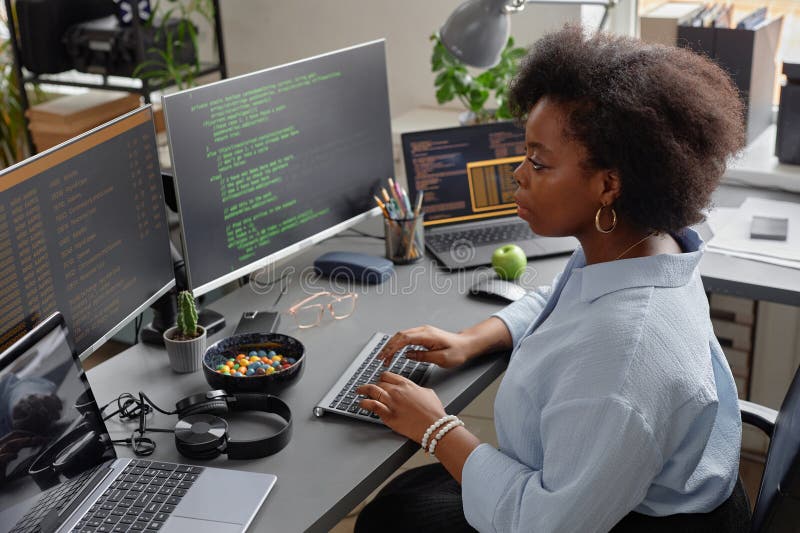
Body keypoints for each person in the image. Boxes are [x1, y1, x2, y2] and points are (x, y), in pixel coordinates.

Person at [354, 25, 750, 533]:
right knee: (402, 501)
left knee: (391, 519)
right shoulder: (645, 247)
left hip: (613, 521)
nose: (518, 173)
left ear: (608, 184)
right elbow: (562, 301)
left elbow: (542, 524)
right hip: (604, 489)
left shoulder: (624, 354)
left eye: (539, 163)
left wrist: (435, 427)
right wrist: (472, 339)